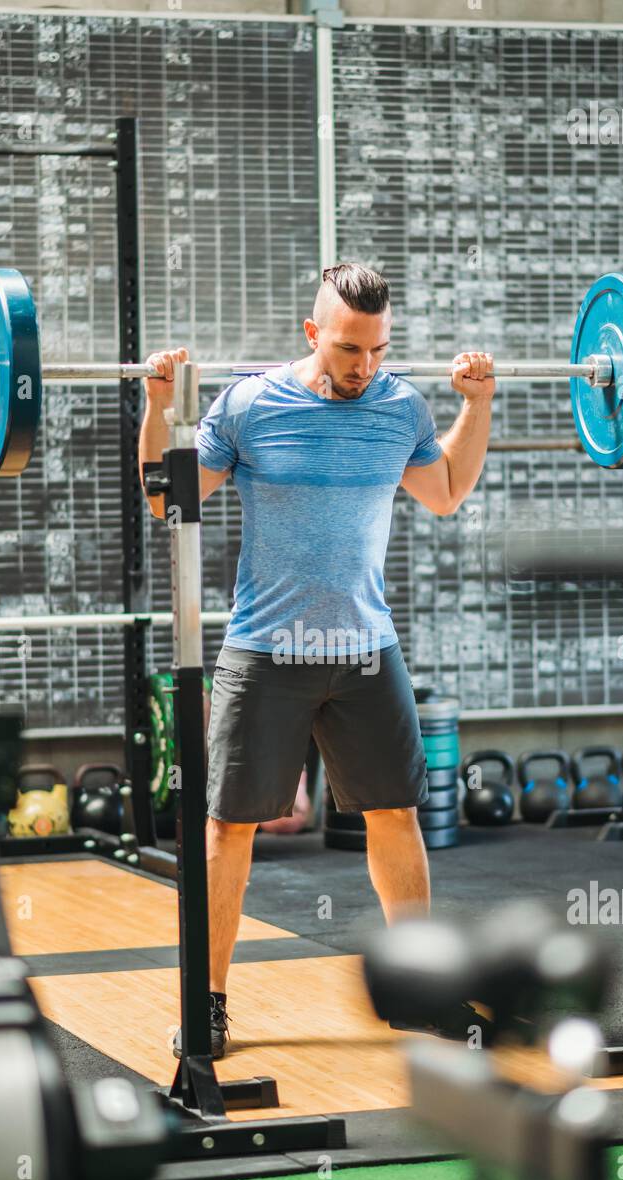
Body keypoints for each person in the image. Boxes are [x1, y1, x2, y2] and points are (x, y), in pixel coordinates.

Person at [139, 263, 494, 1057]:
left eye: (376, 349)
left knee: (396, 815)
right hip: (265, 649)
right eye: (347, 349)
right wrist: (161, 407)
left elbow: (444, 492)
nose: (363, 366)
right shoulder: (250, 405)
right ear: (312, 334)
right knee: (230, 827)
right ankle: (209, 1001)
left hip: (366, 649)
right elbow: (169, 499)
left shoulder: (399, 405)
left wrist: (478, 405)